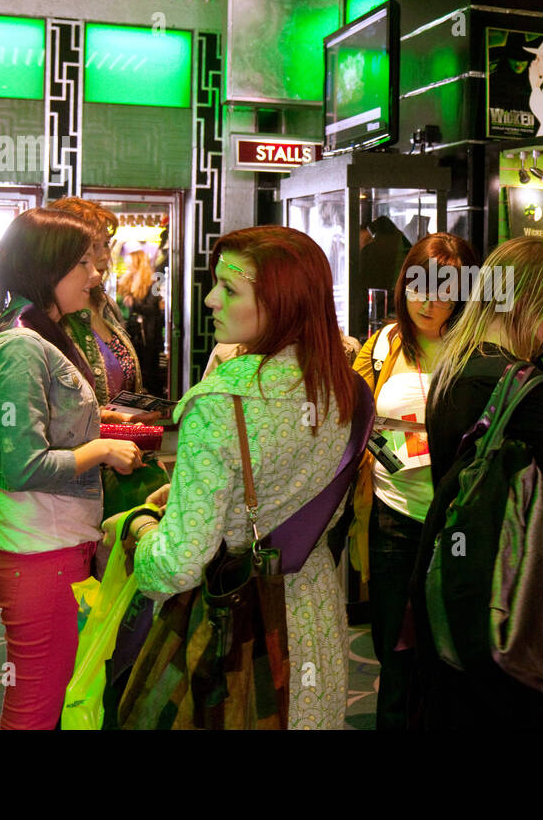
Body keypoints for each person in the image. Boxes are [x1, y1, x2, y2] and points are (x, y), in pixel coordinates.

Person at [113, 226, 361, 729]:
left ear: (281, 301)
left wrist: (136, 528)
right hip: (312, 606)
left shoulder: (223, 403)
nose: (209, 300)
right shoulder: (345, 386)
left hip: (237, 620)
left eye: (230, 289)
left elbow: (178, 565)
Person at [412, 236, 543, 729]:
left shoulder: (454, 367)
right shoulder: (525, 387)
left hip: (453, 579)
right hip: (510, 599)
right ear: (533, 306)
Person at [0, 209, 144, 729]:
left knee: (48, 690)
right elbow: (24, 465)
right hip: (35, 543)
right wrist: (101, 449)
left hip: (43, 537)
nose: (95, 274)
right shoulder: (22, 343)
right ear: (46, 267)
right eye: (83, 262)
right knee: (37, 702)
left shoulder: (38, 330)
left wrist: (93, 421)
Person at [351, 232, 478, 730]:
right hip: (393, 514)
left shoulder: (477, 351)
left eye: (445, 287)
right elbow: (351, 415)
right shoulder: (383, 344)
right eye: (420, 285)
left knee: (450, 649)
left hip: (457, 520)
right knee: (393, 649)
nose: (429, 300)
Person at [47, 198, 153, 416]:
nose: (104, 256)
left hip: (119, 445)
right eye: (93, 247)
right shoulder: (49, 315)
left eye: (106, 244)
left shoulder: (105, 304)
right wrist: (106, 417)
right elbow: (44, 412)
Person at [117, 249, 166, 398]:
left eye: (130, 263)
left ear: (137, 263)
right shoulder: (126, 280)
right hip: (132, 331)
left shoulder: (152, 283)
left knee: (150, 368)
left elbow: (153, 310)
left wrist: (134, 304)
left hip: (147, 334)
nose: (127, 266)